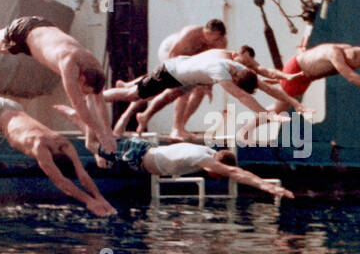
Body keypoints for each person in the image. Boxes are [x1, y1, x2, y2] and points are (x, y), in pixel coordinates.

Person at [0, 16, 116, 156]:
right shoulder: (69, 63)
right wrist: (100, 133)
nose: (81, 92)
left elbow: (99, 101)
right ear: (81, 77)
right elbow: (78, 104)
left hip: (43, 29)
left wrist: (108, 134)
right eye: (81, 88)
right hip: (25, 32)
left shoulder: (93, 64)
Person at [0, 94, 116, 217]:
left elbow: (82, 174)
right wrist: (89, 201)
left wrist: (100, 198)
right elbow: (61, 182)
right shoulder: (40, 148)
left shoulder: (62, 142)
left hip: (13, 108)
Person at [104, 48, 290, 140]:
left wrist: (288, 91)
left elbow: (262, 84)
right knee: (133, 95)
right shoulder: (221, 72)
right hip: (170, 73)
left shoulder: (237, 67)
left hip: (180, 70)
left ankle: (121, 89)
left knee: (145, 93)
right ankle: (101, 95)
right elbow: (243, 96)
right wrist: (268, 115)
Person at [113, 19, 228, 136]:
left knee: (199, 92)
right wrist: (174, 81)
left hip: (189, 60)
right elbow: (169, 61)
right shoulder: (190, 35)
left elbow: (213, 65)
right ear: (207, 33)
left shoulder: (221, 43)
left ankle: (180, 126)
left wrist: (209, 86)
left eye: (220, 39)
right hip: (170, 51)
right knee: (160, 87)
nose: (216, 43)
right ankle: (128, 112)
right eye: (215, 39)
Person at [103, 133, 292, 203]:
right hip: (136, 157)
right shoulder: (205, 159)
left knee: (100, 144)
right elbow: (236, 172)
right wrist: (268, 187)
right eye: (219, 175)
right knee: (95, 147)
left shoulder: (210, 152)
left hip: (142, 151)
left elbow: (232, 168)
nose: (218, 178)